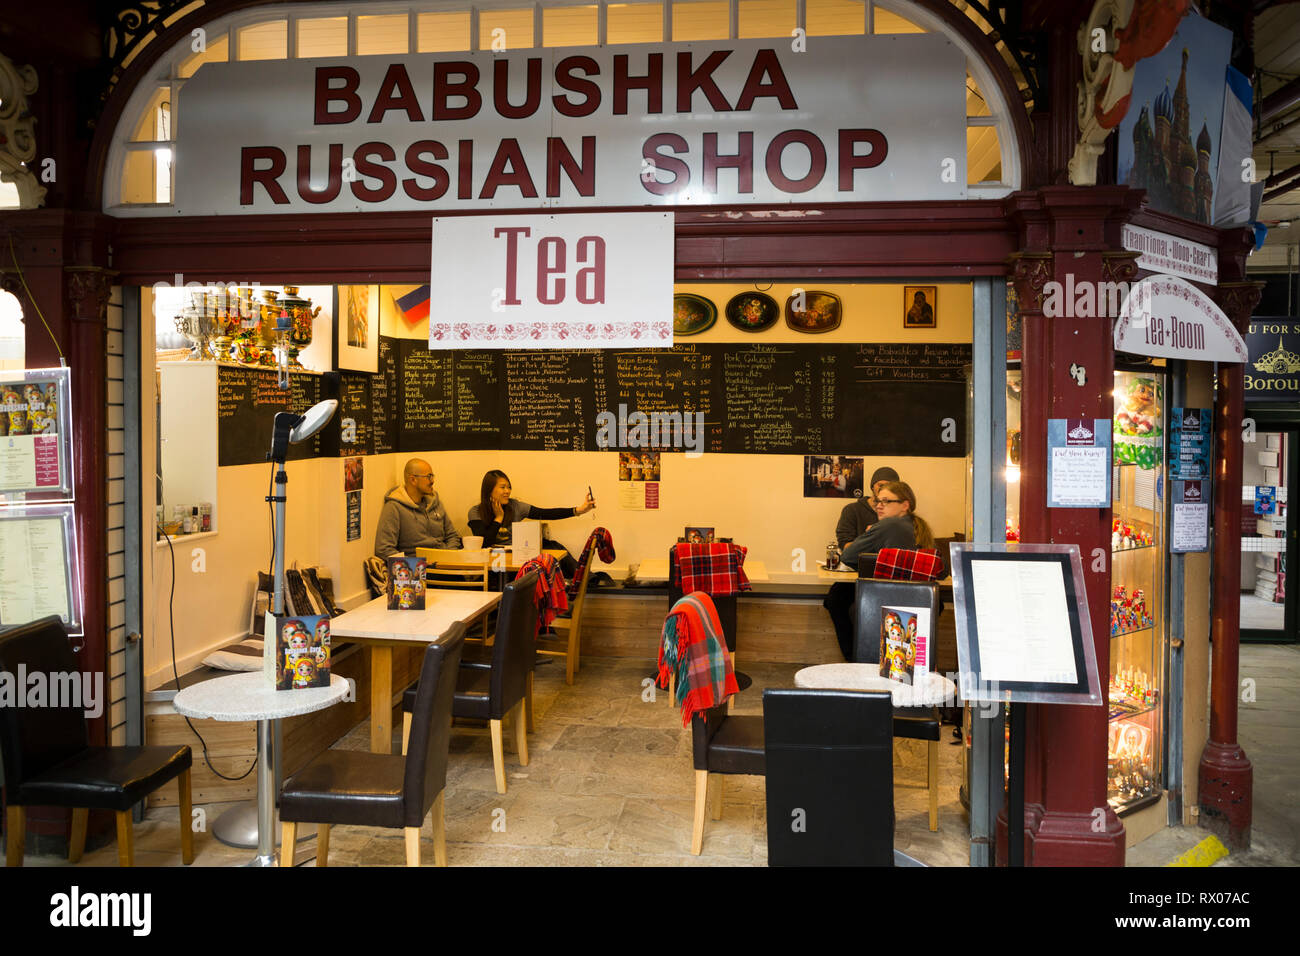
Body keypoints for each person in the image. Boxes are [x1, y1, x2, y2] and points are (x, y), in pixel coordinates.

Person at [824, 481, 935, 661]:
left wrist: (869, 535)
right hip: (918, 600)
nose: (879, 506)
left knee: (836, 598)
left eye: (886, 501)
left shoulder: (888, 525)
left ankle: (854, 661)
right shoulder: (918, 527)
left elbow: (848, 556)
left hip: (886, 600)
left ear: (905, 505)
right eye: (878, 501)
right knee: (838, 595)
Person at [467, 470, 595, 576]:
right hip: (494, 562)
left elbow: (546, 513)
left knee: (552, 545)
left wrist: (579, 510)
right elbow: (484, 543)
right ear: (489, 490)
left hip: (518, 558)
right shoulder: (476, 512)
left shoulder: (515, 506)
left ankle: (582, 578)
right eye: (502, 487)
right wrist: (498, 518)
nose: (507, 491)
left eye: (509, 487)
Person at [374, 459, 462, 559]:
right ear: (413, 480)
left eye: (432, 476)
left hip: (445, 566)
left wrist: (448, 558)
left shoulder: (435, 503)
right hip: (417, 570)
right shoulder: (394, 507)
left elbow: (452, 536)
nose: (432, 481)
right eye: (429, 476)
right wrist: (418, 567)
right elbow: (384, 549)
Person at [835, 466, 898, 547]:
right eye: (880, 485)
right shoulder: (852, 510)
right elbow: (845, 546)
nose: (884, 490)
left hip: (890, 559)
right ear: (872, 487)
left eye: (889, 486)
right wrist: (870, 537)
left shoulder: (898, 512)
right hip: (858, 559)